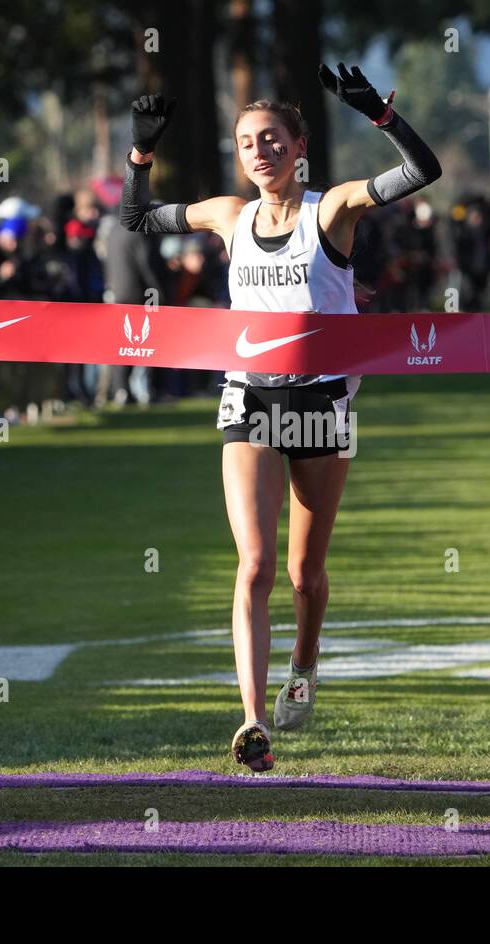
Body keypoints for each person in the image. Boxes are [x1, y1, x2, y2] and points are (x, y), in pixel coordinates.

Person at [120, 62, 441, 771]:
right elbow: (137, 217)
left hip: (324, 402)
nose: (259, 152)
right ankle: (253, 720)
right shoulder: (228, 216)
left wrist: (381, 117)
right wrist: (141, 151)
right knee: (255, 565)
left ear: (300, 147)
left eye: (271, 139)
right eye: (246, 142)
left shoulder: (334, 210)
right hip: (251, 399)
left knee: (304, 574)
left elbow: (423, 171)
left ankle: (305, 660)